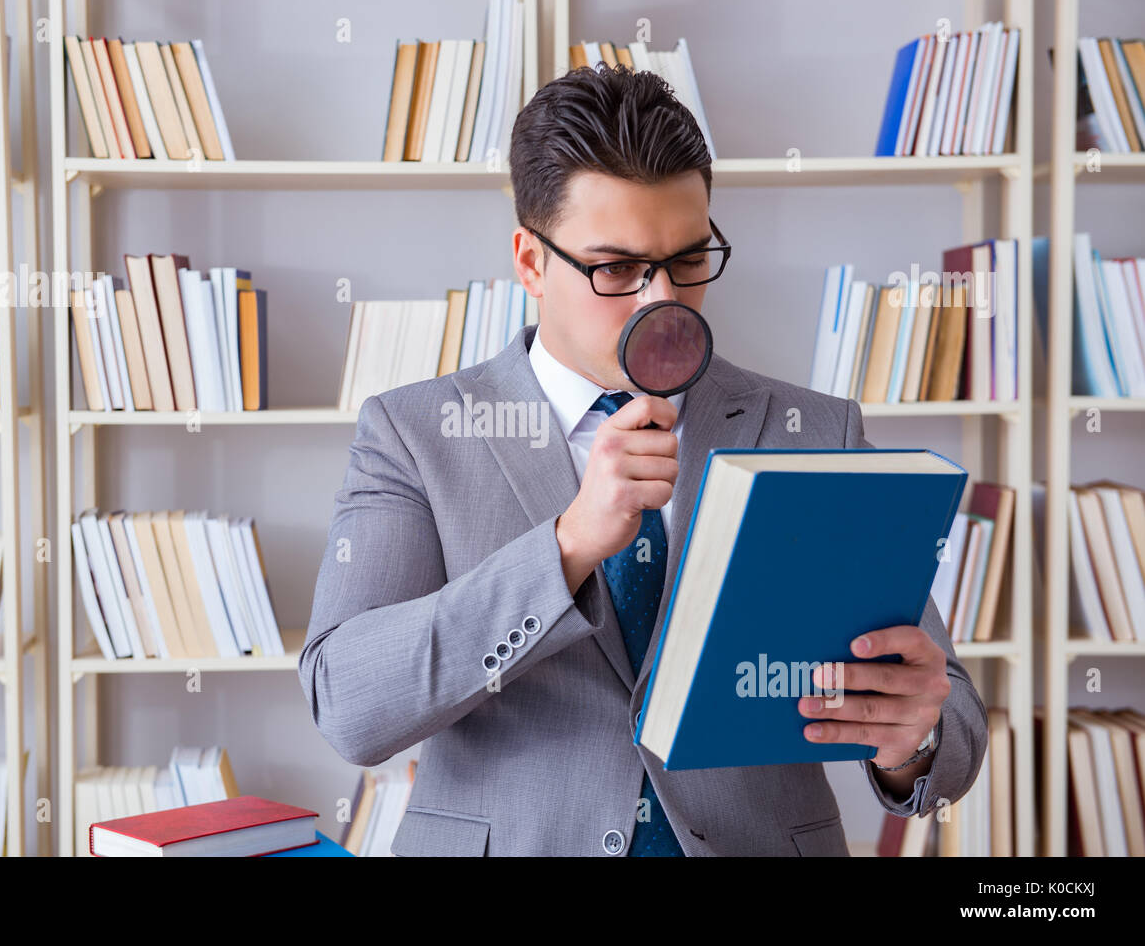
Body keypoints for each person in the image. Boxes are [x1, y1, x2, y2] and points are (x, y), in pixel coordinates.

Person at [298, 64, 987, 856]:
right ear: (529, 262)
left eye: (688, 260)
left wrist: (912, 743)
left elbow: (955, 723)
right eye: (616, 268)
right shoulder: (415, 432)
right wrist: (567, 544)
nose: (661, 300)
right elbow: (349, 705)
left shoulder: (813, 427)